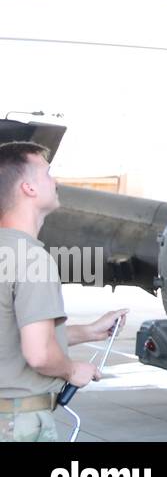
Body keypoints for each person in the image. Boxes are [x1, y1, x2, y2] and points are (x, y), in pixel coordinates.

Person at [0, 142, 127, 442]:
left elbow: (12, 333)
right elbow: (40, 353)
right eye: (47, 174)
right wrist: (72, 370)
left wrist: (87, 332)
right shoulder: (31, 258)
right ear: (28, 188)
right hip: (18, 424)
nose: (54, 181)